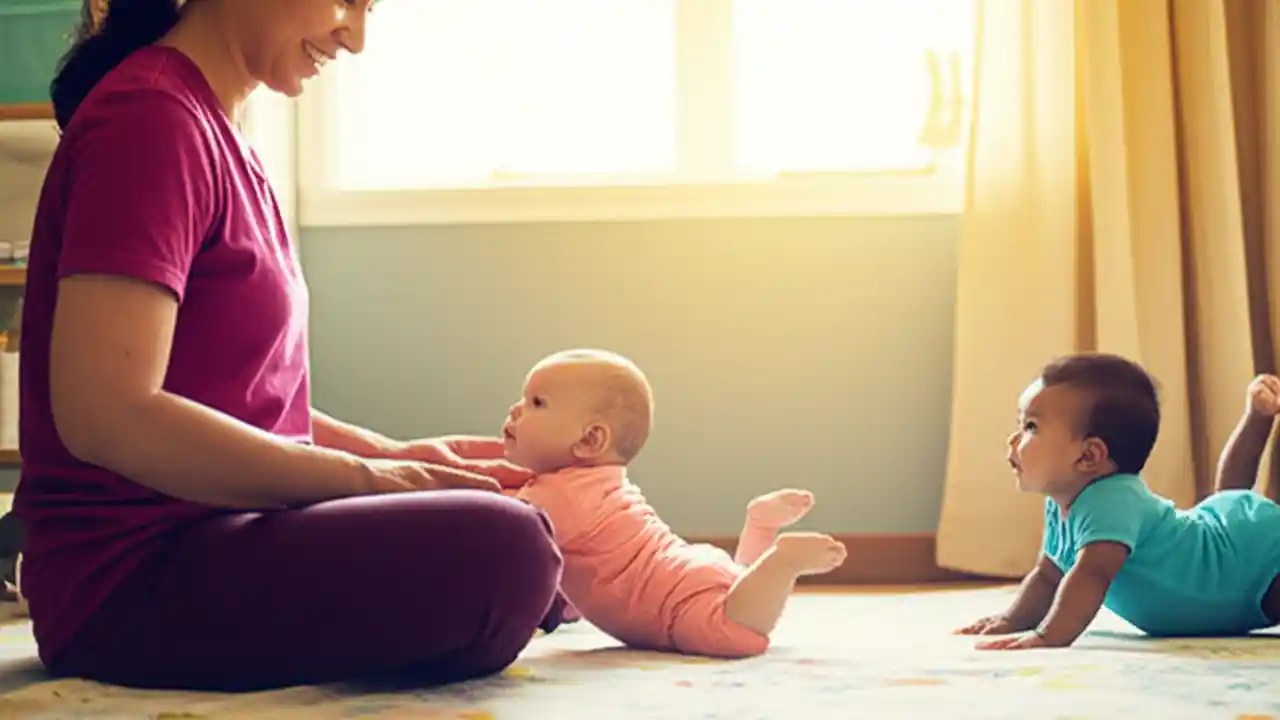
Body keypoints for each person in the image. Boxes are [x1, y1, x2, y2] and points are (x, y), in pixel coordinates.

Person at [12, 0, 565, 691]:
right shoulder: (149, 118)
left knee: (515, 527)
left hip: (215, 533)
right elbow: (106, 414)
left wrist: (393, 455)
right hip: (128, 582)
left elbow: (238, 399)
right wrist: (375, 482)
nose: (356, 38)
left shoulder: (215, 127)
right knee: (504, 551)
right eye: (346, 1)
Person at [503, 349, 847, 658]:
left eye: (537, 403)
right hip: (683, 567)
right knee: (738, 590)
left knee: (733, 632)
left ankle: (782, 562)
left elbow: (503, 531)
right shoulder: (600, 481)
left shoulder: (556, 498)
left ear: (590, 439)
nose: (515, 409)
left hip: (671, 600)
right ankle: (760, 527)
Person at [955, 353, 1280, 649]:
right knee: (1229, 496)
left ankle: (1258, 419)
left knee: (1236, 509)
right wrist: (1013, 620)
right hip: (1225, 549)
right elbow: (1048, 576)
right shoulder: (1062, 503)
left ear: (1089, 455)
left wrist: (1048, 637)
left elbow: (1092, 575)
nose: (1014, 440)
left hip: (1253, 569)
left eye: (1031, 427)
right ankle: (1258, 417)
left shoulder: (1113, 499)